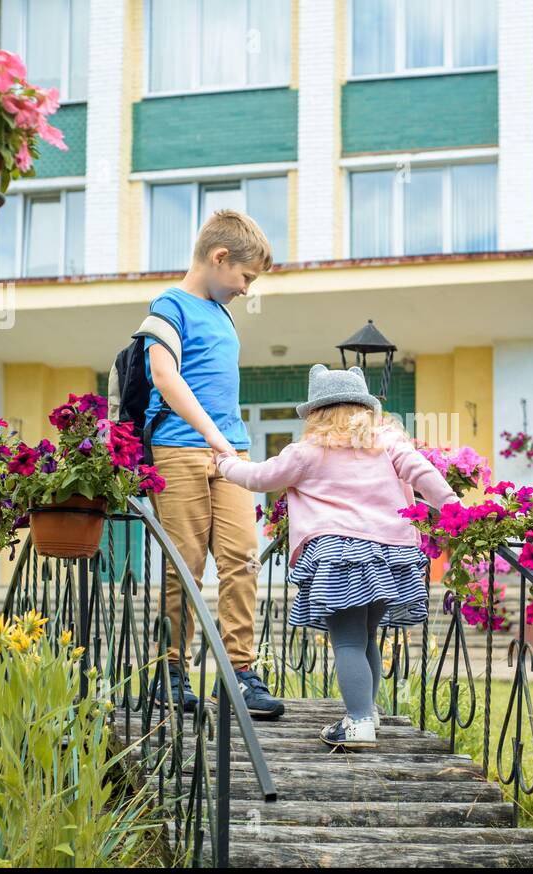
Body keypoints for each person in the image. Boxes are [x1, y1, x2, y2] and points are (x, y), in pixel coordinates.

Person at [216, 364, 459, 748]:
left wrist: (224, 464)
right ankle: (368, 712)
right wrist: (453, 509)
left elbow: (259, 477)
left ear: (316, 413)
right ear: (365, 409)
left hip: (340, 556)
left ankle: (359, 720)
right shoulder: (388, 443)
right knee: (365, 638)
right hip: (391, 556)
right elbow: (422, 472)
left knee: (346, 641)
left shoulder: (307, 453)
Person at [144, 209, 283, 718]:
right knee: (184, 564)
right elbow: (165, 377)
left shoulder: (223, 315)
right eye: (244, 277)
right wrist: (212, 436)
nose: (246, 289)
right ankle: (171, 672)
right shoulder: (167, 307)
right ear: (219, 257)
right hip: (180, 450)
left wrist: (227, 445)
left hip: (231, 453)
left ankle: (240, 674)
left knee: (243, 558)